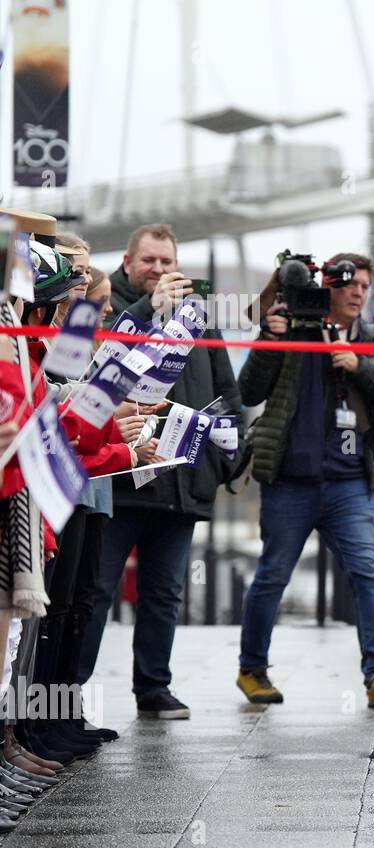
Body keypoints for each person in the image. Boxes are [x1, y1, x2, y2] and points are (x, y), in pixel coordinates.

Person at [237, 252, 374, 708]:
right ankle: (252, 670)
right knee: (272, 575)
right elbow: (248, 392)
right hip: (289, 481)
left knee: (369, 573)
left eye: (364, 286)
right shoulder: (291, 330)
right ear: (324, 288)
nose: (357, 292)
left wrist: (360, 365)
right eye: (347, 284)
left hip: (351, 483)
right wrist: (266, 337)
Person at [78, 224, 241, 721]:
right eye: (149, 261)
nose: (160, 271)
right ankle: (69, 695)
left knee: (164, 592)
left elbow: (227, 390)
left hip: (179, 479)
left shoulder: (200, 317)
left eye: (167, 262)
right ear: (128, 264)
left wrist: (226, 456)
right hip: (121, 479)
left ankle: (153, 687)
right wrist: (150, 311)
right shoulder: (104, 305)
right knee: (95, 591)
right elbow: (98, 365)